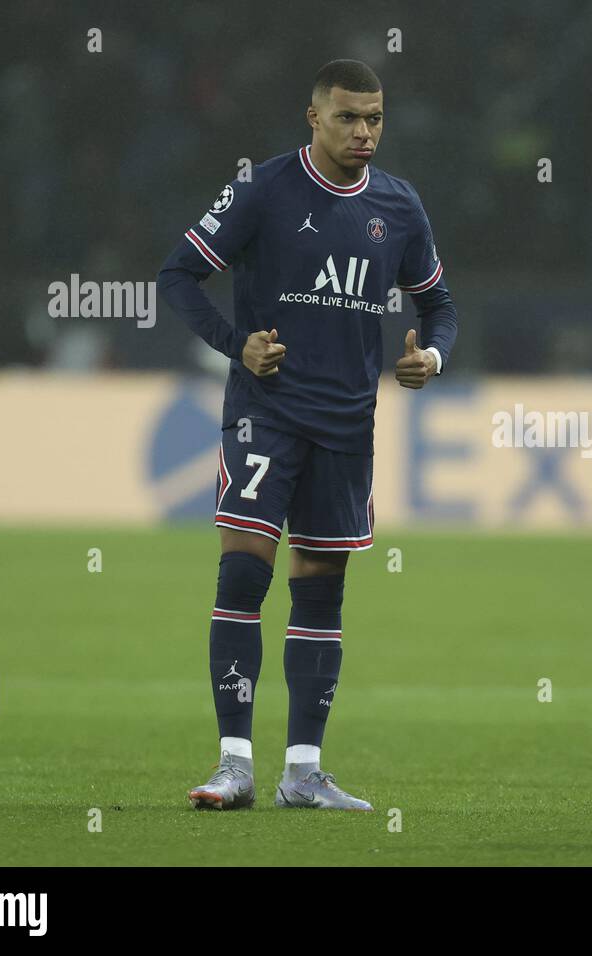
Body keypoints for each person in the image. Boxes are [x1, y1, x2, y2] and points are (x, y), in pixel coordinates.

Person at [157, 59, 457, 811]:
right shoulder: (264, 189)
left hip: (348, 427)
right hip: (269, 413)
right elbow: (178, 274)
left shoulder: (400, 204)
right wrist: (238, 346)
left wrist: (431, 355)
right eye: (349, 117)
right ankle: (233, 764)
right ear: (313, 118)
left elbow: (439, 304)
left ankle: (302, 773)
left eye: (376, 118)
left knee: (322, 597)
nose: (364, 132)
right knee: (244, 576)